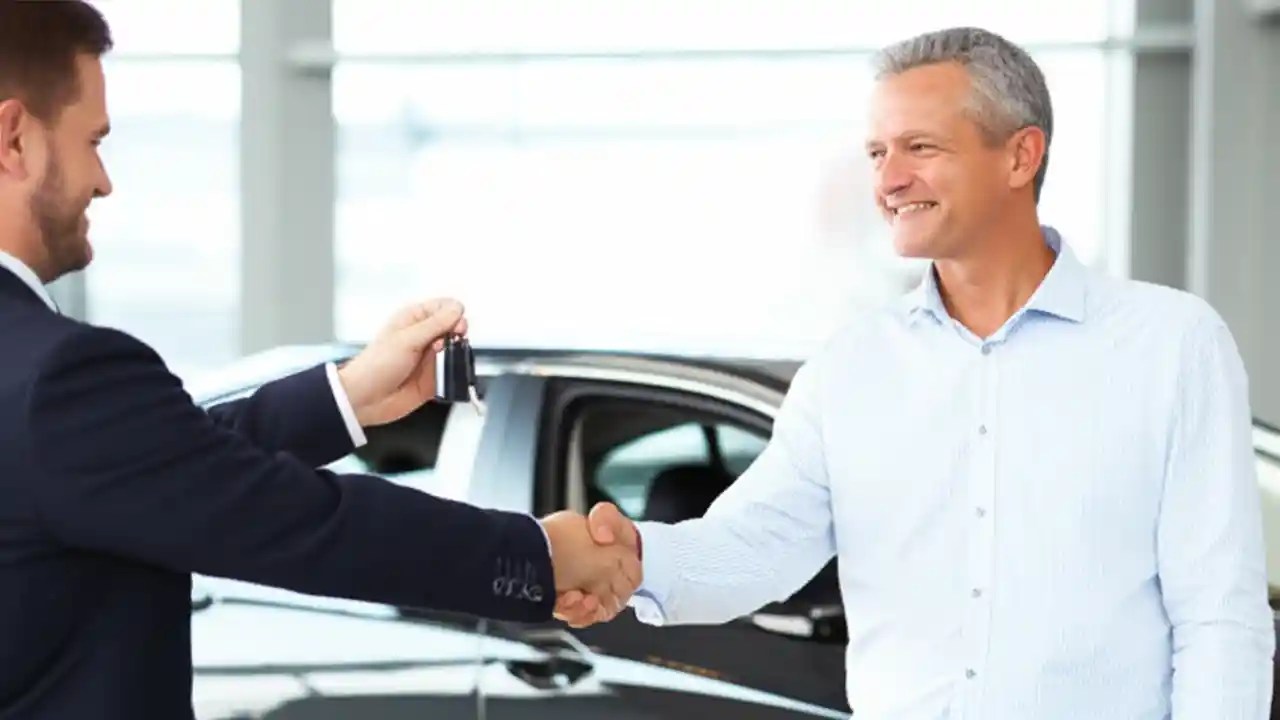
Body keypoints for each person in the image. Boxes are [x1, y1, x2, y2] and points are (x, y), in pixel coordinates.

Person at [555, 25, 1276, 719]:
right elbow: (752, 550)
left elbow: (1220, 617)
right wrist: (635, 557)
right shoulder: (850, 369)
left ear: (1020, 156)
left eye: (919, 148)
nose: (889, 181)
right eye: (876, 153)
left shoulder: (1171, 347)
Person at [0, 3, 638, 719]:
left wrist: (352, 396)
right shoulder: (58, 380)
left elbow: (158, 472)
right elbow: (306, 526)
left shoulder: (47, 398)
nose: (104, 181)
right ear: (14, 139)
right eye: (94, 140)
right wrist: (539, 555)